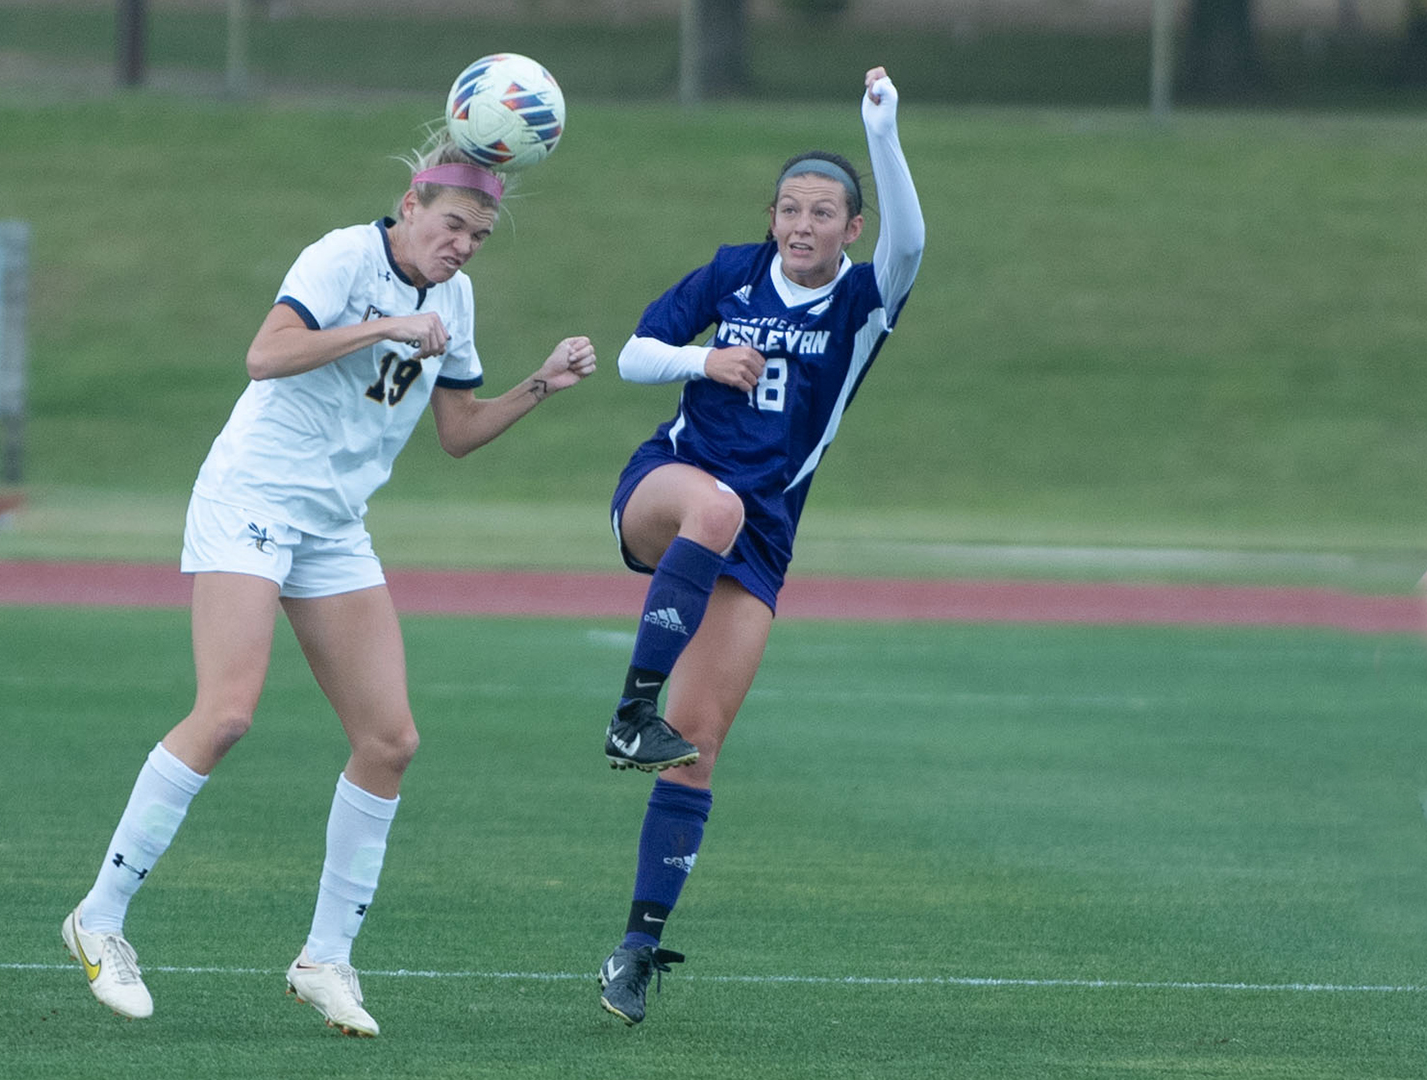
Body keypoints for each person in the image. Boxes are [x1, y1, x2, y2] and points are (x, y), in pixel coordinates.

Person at [57, 133, 596, 1039]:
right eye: (453, 224)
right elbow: (265, 355)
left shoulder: (455, 300)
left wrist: (539, 383)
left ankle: (324, 960)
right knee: (226, 714)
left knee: (389, 741)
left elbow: (457, 431)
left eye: (479, 235)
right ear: (413, 207)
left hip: (333, 526)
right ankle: (98, 920)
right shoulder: (345, 254)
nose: (462, 245)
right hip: (253, 496)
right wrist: (384, 323)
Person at [593, 66, 925, 1026]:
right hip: (668, 490)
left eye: (823, 211)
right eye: (789, 207)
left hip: (761, 537)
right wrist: (705, 358)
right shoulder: (732, 272)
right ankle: (628, 711)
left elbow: (912, 241)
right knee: (715, 511)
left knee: (693, 752)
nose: (801, 224)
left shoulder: (865, 301)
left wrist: (882, 132)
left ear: (849, 230)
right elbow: (633, 354)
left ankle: (634, 951)